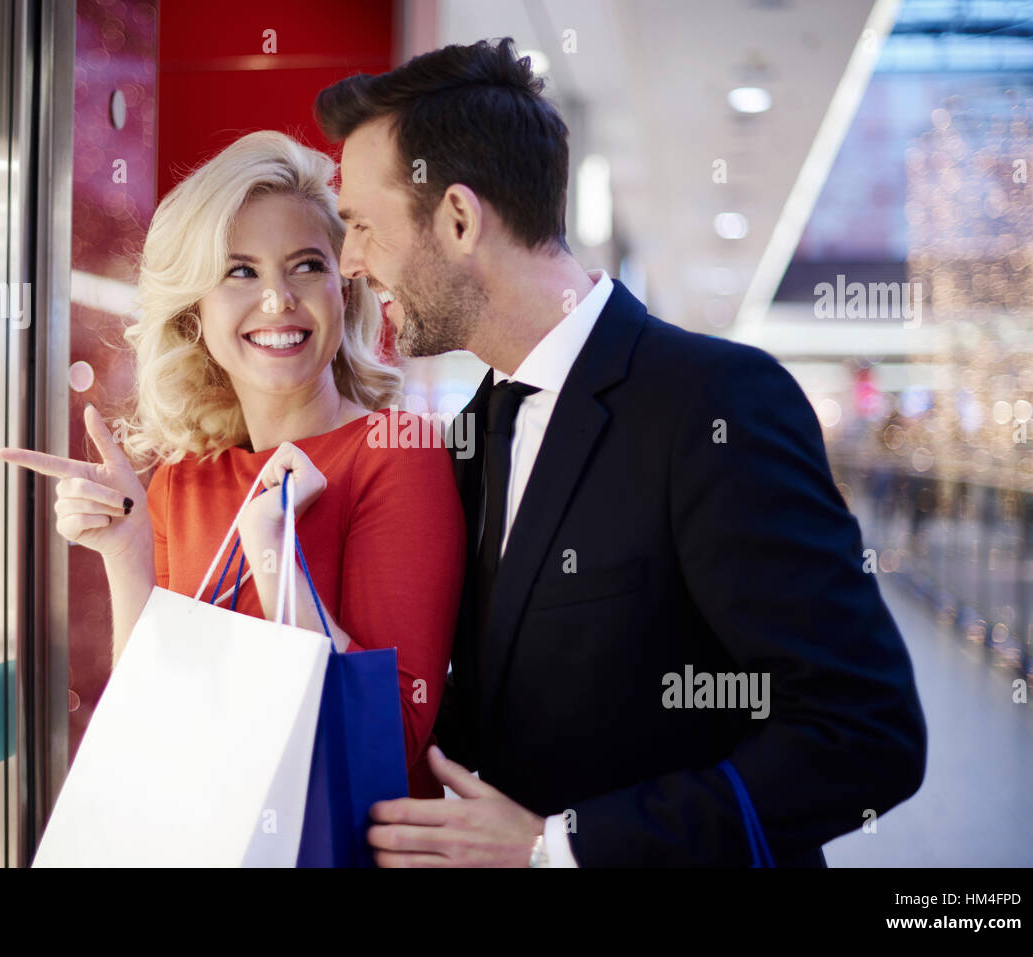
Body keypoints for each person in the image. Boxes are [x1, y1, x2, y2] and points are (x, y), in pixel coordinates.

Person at [315, 37, 929, 866]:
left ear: (457, 218)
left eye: (359, 226)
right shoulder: (470, 432)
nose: (351, 264)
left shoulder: (713, 402)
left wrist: (559, 847)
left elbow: (866, 730)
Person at [0, 130, 464, 799]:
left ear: (343, 289)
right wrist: (125, 550)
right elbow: (147, 725)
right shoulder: (181, 482)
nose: (278, 301)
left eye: (307, 265)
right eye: (240, 272)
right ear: (196, 312)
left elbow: (386, 740)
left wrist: (273, 558)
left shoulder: (398, 452)